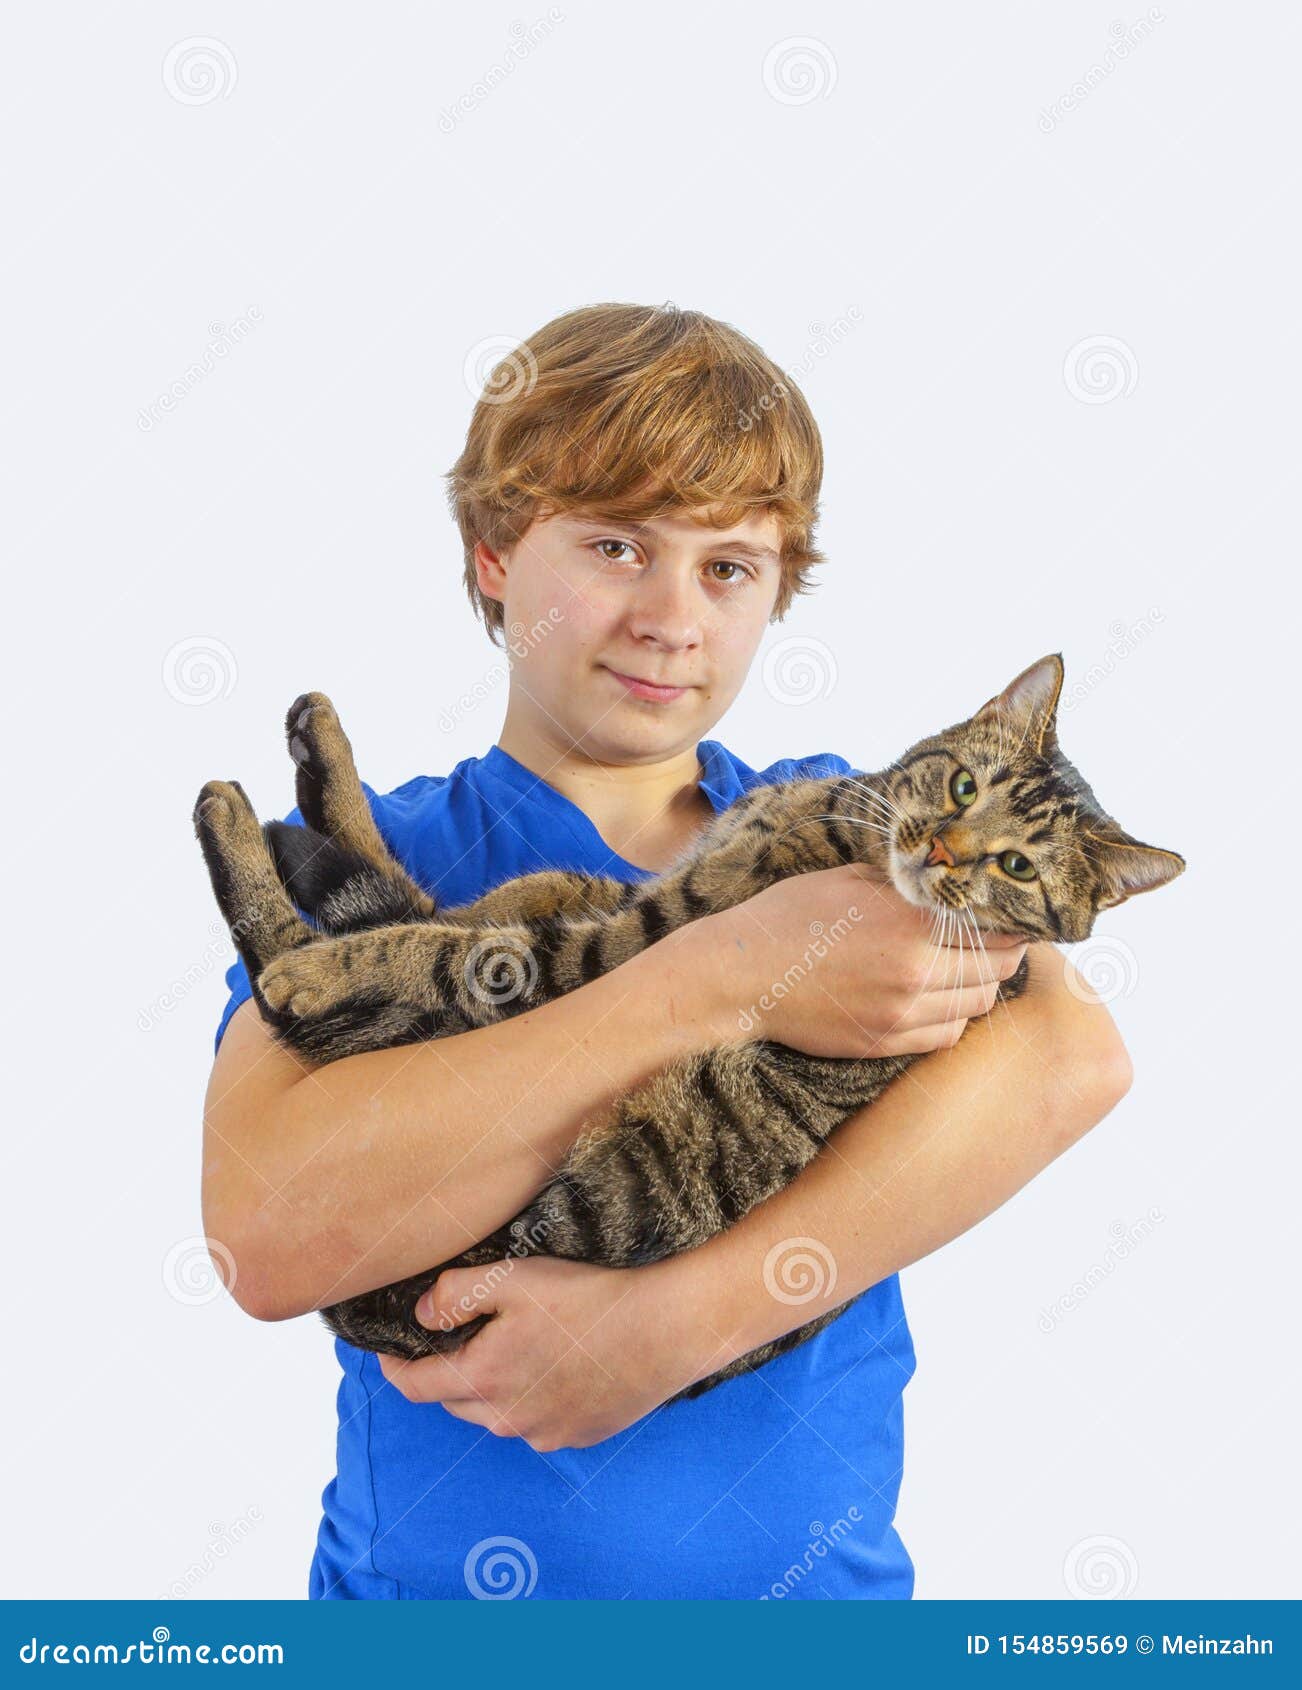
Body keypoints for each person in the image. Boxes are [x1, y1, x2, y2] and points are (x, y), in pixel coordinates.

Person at [202, 302, 1132, 1601]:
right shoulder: (383, 848)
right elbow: (270, 1231)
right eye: (615, 545)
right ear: (491, 553)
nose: (668, 616)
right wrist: (726, 970)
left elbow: (1069, 1053)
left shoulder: (860, 825)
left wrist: (676, 1323)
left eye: (728, 567)